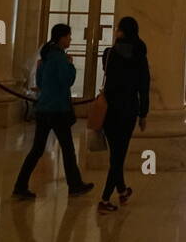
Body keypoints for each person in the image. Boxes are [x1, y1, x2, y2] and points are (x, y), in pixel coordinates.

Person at [12, 24, 93, 200]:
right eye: (69, 36)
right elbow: (67, 80)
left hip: (43, 108)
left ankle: (20, 184)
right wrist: (71, 65)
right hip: (57, 109)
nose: (70, 39)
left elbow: (40, 82)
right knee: (67, 148)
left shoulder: (46, 56)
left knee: (37, 149)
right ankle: (75, 185)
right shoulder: (59, 57)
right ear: (62, 37)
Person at [97, 15, 149, 215]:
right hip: (128, 109)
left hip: (110, 108)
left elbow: (108, 73)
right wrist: (143, 113)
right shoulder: (140, 56)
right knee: (118, 156)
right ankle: (104, 199)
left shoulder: (109, 53)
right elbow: (143, 87)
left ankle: (122, 190)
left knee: (115, 155)